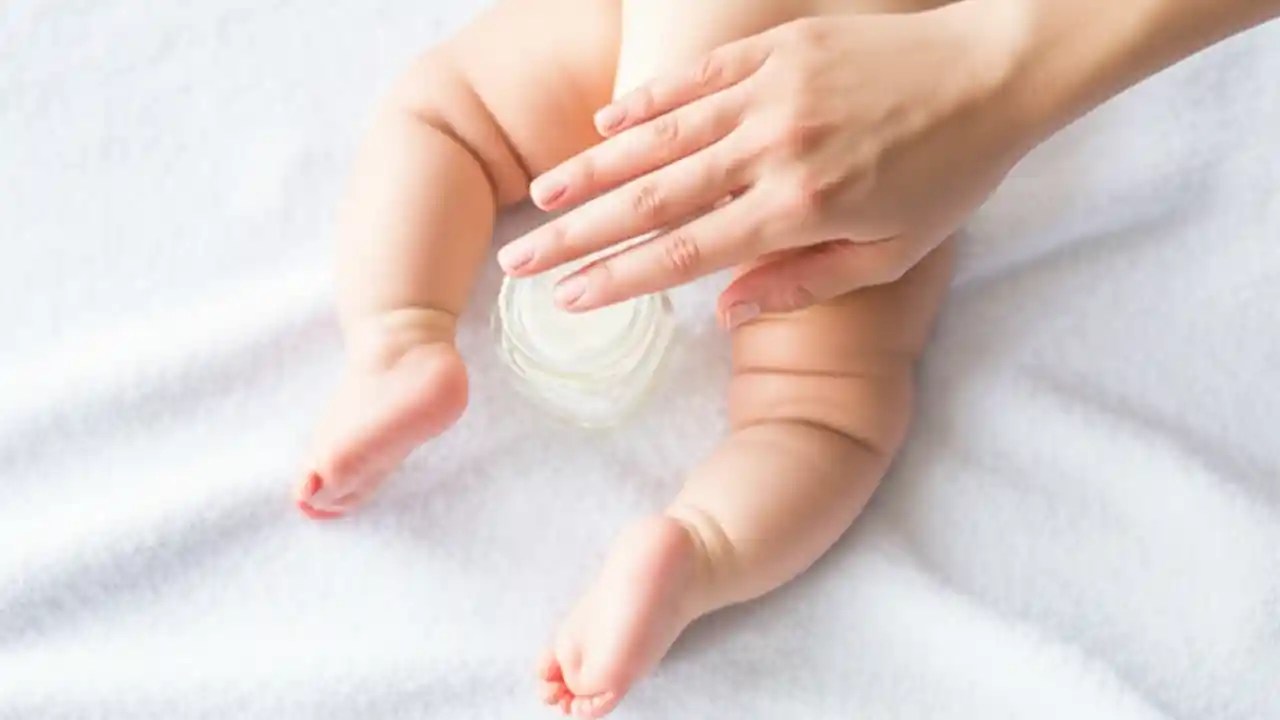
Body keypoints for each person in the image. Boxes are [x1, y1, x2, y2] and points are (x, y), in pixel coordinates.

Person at [296, 0, 954, 716]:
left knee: (450, 122)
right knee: (822, 412)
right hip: (884, 109)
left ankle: (399, 337)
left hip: (676, 40)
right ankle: (701, 551)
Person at [498, 0, 1280, 328]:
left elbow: (440, 120)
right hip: (858, 151)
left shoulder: (882, 155)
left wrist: (997, 65)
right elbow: (825, 423)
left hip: (865, 145)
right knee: (819, 395)